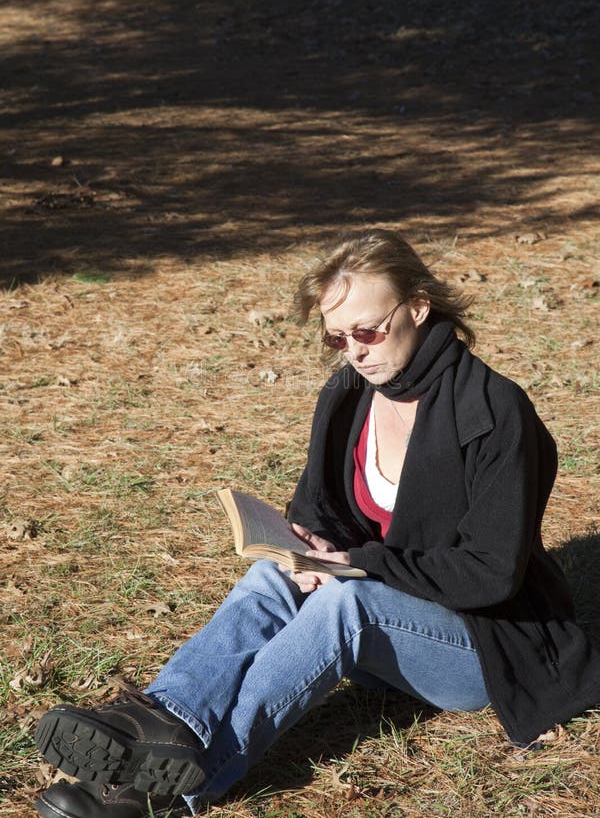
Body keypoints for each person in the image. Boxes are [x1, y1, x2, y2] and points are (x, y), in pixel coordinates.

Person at [34, 229, 600, 818]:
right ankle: (163, 722)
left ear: (419, 307)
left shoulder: (493, 410)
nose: (354, 349)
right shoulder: (349, 392)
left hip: (480, 643)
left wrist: (358, 565)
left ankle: (175, 792)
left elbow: (490, 575)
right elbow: (318, 507)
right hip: (389, 607)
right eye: (337, 336)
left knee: (343, 606)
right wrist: (307, 547)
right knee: (267, 581)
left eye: (368, 330)